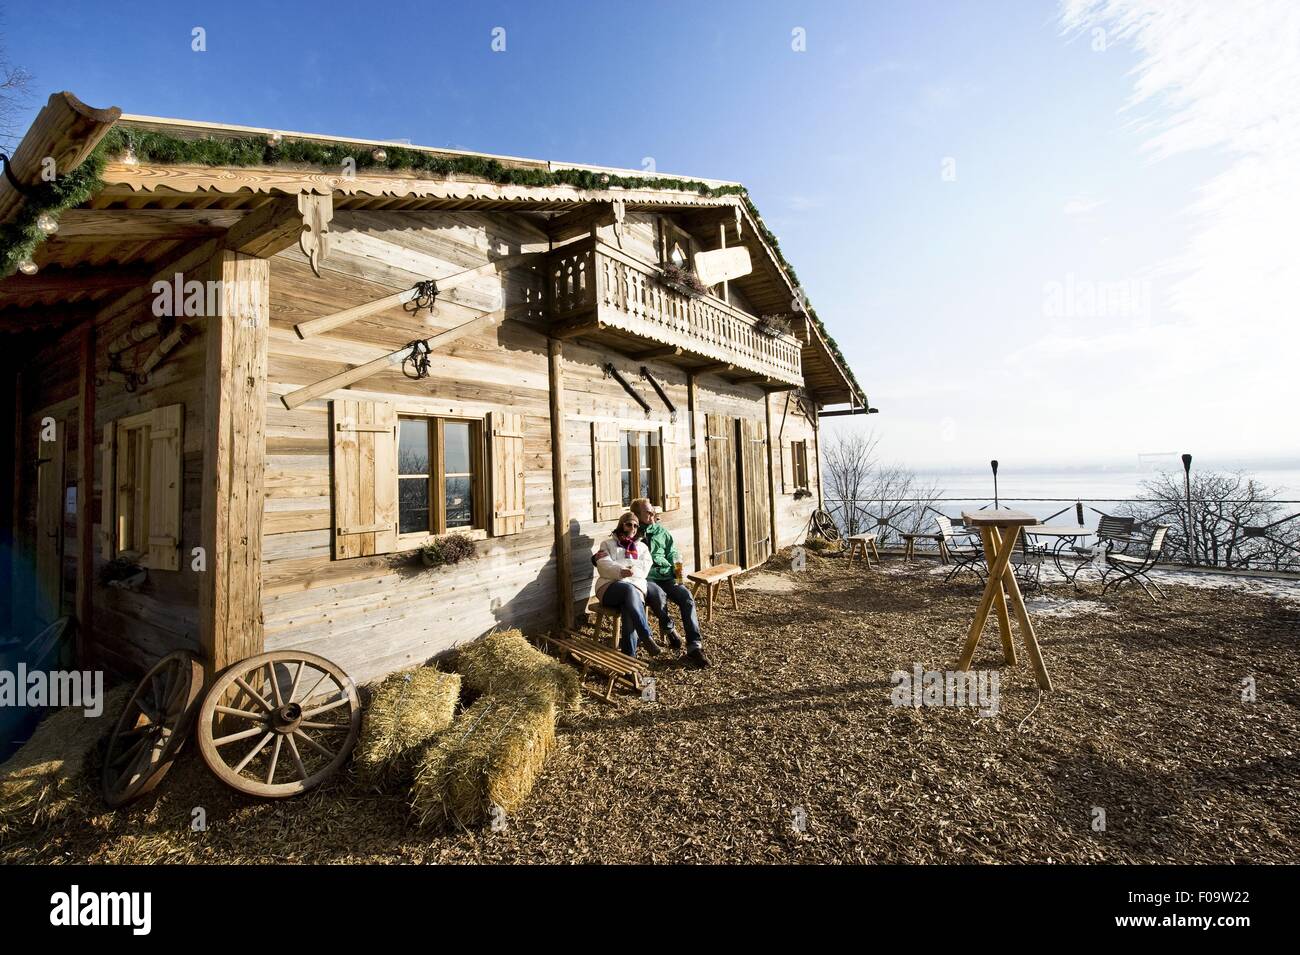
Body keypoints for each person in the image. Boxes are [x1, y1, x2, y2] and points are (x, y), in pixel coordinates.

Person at [630, 497, 711, 669]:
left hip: (667, 576)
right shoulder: (633, 533)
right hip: (647, 578)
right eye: (647, 512)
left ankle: (695, 647)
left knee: (687, 597)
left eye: (653, 510)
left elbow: (675, 554)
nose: (652, 514)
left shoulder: (662, 532)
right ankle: (669, 628)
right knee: (658, 596)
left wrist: (679, 578)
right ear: (637, 515)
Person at [593, 511, 657, 658]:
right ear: (621, 525)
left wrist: (624, 565)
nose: (632, 528)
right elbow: (603, 565)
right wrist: (621, 570)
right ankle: (646, 635)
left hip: (634, 588)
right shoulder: (607, 544)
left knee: (629, 608)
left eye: (635, 525)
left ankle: (629, 661)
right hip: (609, 587)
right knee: (628, 590)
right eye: (629, 524)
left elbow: (645, 569)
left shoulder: (642, 548)